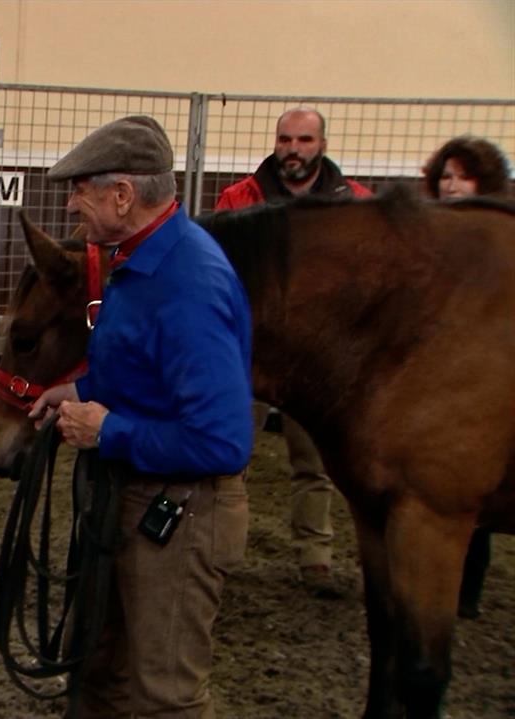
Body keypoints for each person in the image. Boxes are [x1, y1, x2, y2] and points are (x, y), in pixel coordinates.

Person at [29, 116, 253, 718]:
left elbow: (223, 442)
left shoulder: (188, 284)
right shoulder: (144, 261)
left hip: (180, 511)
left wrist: (108, 430)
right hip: (141, 497)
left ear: (121, 195)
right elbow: (143, 369)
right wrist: (81, 389)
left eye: (80, 190)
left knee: (165, 699)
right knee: (100, 671)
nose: (73, 204)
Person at [215, 107, 372, 598]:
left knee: (316, 463)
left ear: (321, 143)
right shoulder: (237, 200)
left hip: (316, 360)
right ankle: (220, 554)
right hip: (248, 353)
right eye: (285, 139)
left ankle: (316, 558)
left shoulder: (356, 205)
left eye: (304, 139)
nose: (293, 148)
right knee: (228, 455)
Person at [422, 135, 512, 618]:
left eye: (463, 176)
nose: (453, 186)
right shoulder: (427, 238)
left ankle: (465, 593)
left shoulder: (497, 238)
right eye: (446, 176)